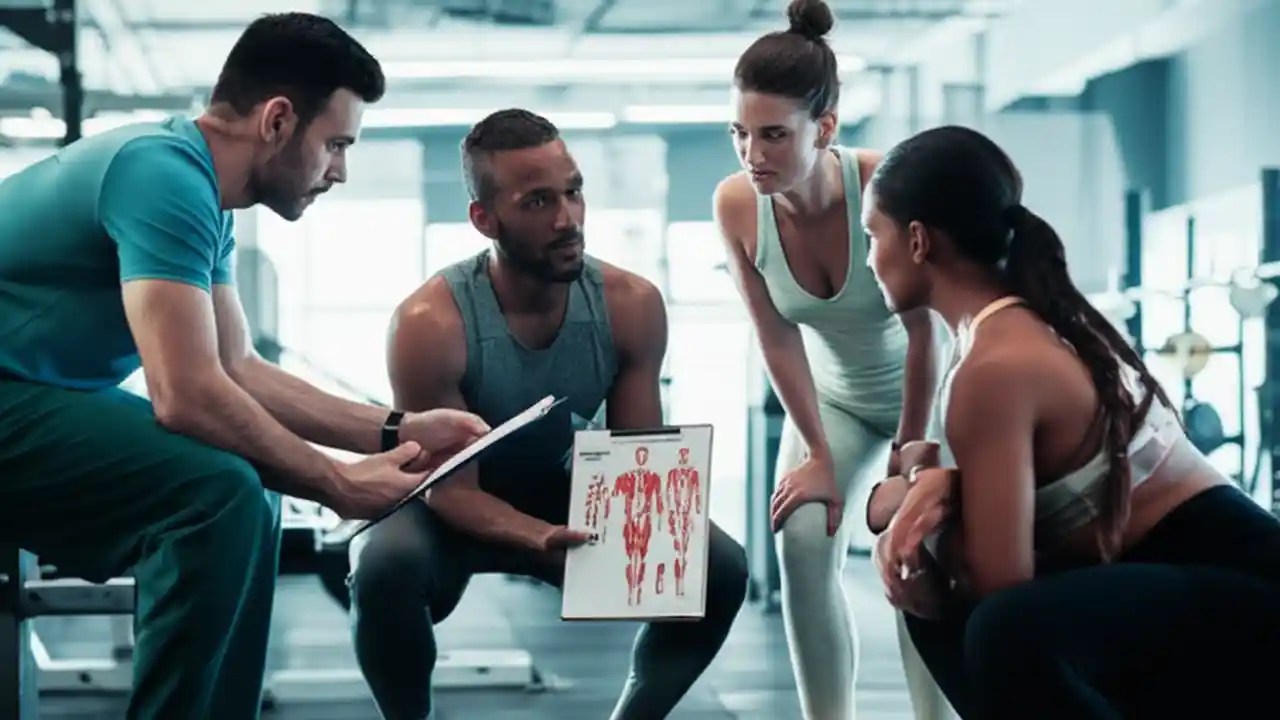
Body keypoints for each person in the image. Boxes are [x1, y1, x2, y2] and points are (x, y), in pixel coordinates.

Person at [0, 13, 488, 720]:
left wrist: (396, 430)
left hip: (27, 393)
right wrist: (335, 485)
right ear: (279, 120)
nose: (340, 172)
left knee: (246, 487)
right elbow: (185, 396)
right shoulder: (159, 173)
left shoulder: (202, 196)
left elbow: (236, 368)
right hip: (12, 396)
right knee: (217, 492)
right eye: (336, 145)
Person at [864, 124, 1280, 719]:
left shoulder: (997, 361)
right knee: (950, 614)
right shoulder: (988, 336)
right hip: (1182, 583)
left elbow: (1001, 582)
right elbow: (905, 512)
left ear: (917, 240)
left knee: (1001, 628)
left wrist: (924, 502)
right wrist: (928, 496)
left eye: (872, 236)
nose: (869, 260)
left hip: (1251, 593)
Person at [347, 108, 750, 720]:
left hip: (568, 491)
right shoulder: (431, 323)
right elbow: (451, 490)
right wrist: (537, 540)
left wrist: (651, 541)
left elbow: (636, 460)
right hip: (452, 505)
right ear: (485, 219)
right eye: (537, 202)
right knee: (382, 567)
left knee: (719, 566)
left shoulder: (630, 304)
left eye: (574, 192)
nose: (567, 220)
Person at [713, 0, 950, 717]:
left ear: (825, 129)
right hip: (835, 402)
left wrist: (912, 456)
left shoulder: (885, 187)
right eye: (740, 134)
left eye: (774, 136)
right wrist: (817, 452)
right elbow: (776, 336)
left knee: (919, 546)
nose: (753, 156)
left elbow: (927, 333)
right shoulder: (736, 205)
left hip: (932, 396)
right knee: (803, 540)